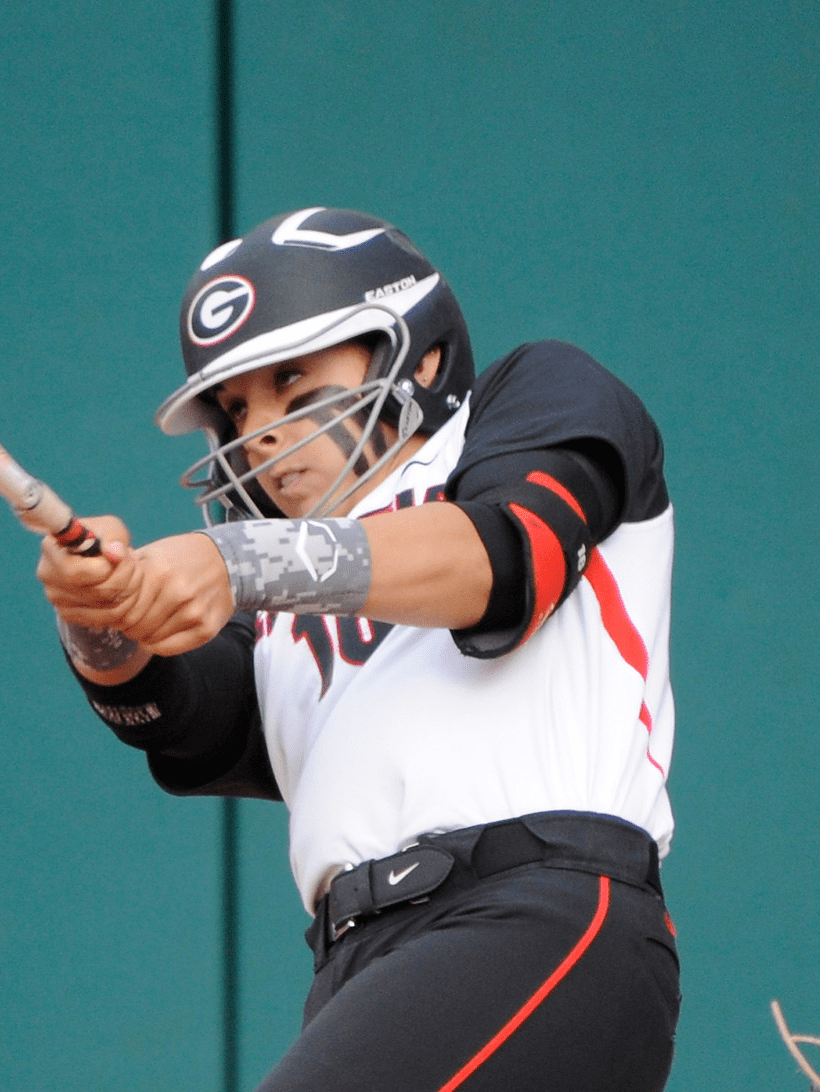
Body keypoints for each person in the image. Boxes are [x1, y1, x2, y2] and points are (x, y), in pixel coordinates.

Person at [37, 208, 680, 1092]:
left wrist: (240, 561)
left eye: (293, 378)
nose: (261, 429)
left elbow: (504, 561)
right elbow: (179, 715)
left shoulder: (531, 395)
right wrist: (99, 616)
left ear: (418, 356)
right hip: (357, 961)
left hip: (533, 909)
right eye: (237, 406)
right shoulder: (278, 596)